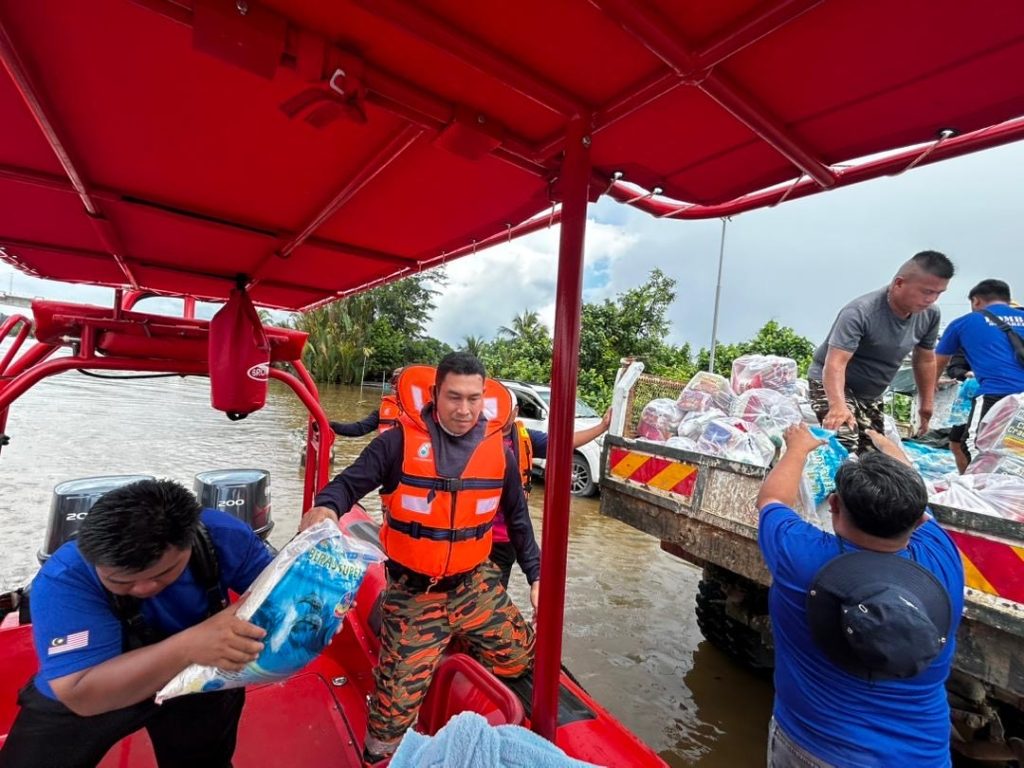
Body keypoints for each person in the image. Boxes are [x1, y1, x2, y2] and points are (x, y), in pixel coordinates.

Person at [298, 353, 539, 762]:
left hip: (475, 585)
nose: (464, 410)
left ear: (484, 397)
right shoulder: (395, 444)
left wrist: (536, 575)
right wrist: (325, 507)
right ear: (434, 394)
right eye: (454, 397)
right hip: (414, 594)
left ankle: (464, 651)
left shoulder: (501, 453)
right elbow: (347, 485)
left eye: (474, 398)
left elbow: (519, 521)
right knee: (389, 725)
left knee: (522, 660)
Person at [0, 479, 273, 768]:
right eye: (121, 581)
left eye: (163, 573)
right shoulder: (65, 579)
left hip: (198, 677)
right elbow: (81, 695)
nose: (144, 588)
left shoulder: (224, 536)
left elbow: (284, 592)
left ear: (189, 540)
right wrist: (189, 646)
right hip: (102, 681)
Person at [757, 423, 963, 767]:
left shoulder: (801, 557)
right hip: (923, 757)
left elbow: (772, 500)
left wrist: (797, 448)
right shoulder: (943, 557)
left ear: (834, 506)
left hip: (813, 749)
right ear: (915, 521)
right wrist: (892, 451)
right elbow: (922, 509)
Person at [807, 250, 954, 454]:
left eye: (939, 293)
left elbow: (925, 360)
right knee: (844, 441)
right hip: (833, 384)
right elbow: (836, 363)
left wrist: (926, 405)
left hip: (871, 394)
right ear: (899, 283)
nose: (932, 299)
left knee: (874, 456)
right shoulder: (861, 312)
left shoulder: (930, 315)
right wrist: (838, 406)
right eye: (927, 292)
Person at [492, 394, 612, 589]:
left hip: (505, 537)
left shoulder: (524, 438)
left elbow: (563, 442)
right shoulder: (474, 435)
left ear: (515, 412)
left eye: (506, 407)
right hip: (474, 536)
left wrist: (601, 427)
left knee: (494, 593)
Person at [934, 279, 1024, 466]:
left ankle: (977, 485)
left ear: (976, 301)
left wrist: (929, 392)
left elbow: (936, 362)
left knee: (973, 446)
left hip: (995, 395)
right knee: (1016, 452)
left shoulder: (965, 323)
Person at [330, 367, 404, 437]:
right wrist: (331, 425)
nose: (395, 385)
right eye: (393, 380)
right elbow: (359, 429)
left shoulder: (412, 411)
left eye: (401, 381)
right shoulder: (382, 411)